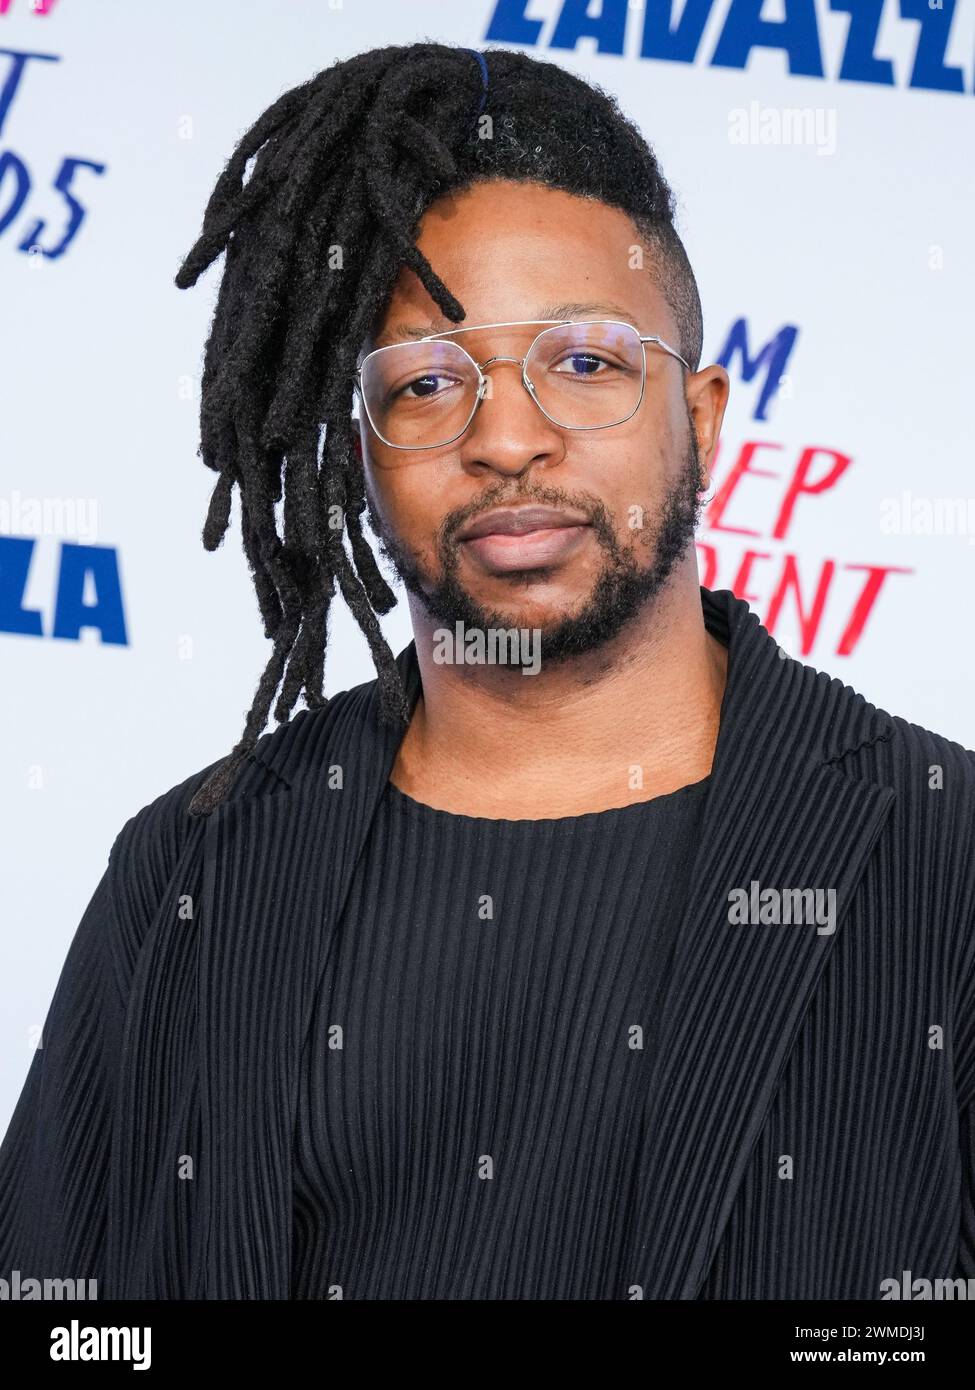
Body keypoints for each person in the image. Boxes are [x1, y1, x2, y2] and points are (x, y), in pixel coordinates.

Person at [1, 41, 973, 1301]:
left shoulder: (942, 855)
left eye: (585, 364)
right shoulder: (192, 866)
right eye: (426, 382)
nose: (507, 437)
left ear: (705, 417)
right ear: (358, 451)